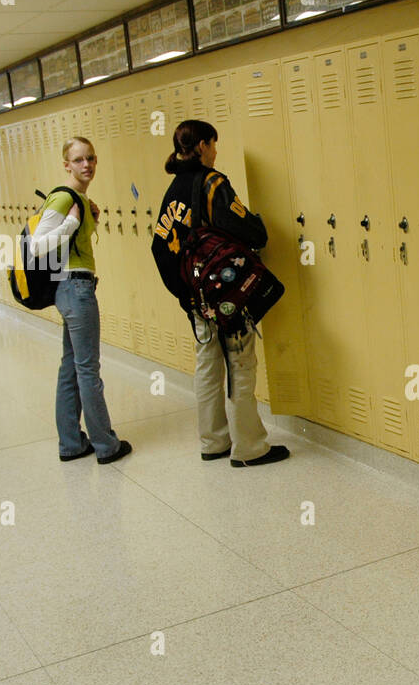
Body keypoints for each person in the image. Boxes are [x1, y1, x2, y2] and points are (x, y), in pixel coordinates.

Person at [150, 119, 289, 467]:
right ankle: (250, 448)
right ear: (201, 146)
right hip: (226, 297)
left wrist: (185, 296)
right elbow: (251, 231)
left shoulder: (174, 189)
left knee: (208, 366)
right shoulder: (213, 184)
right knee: (241, 365)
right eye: (213, 144)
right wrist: (259, 224)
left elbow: (159, 247)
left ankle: (213, 442)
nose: (216, 151)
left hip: (196, 299)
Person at [30, 136, 131, 464]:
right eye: (78, 160)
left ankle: (72, 443)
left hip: (70, 287)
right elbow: (37, 246)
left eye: (91, 158)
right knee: (87, 369)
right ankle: (106, 445)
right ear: (66, 165)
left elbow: (70, 244)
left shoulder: (78, 198)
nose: (86, 165)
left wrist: (88, 219)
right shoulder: (64, 198)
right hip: (76, 288)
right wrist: (73, 222)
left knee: (71, 368)